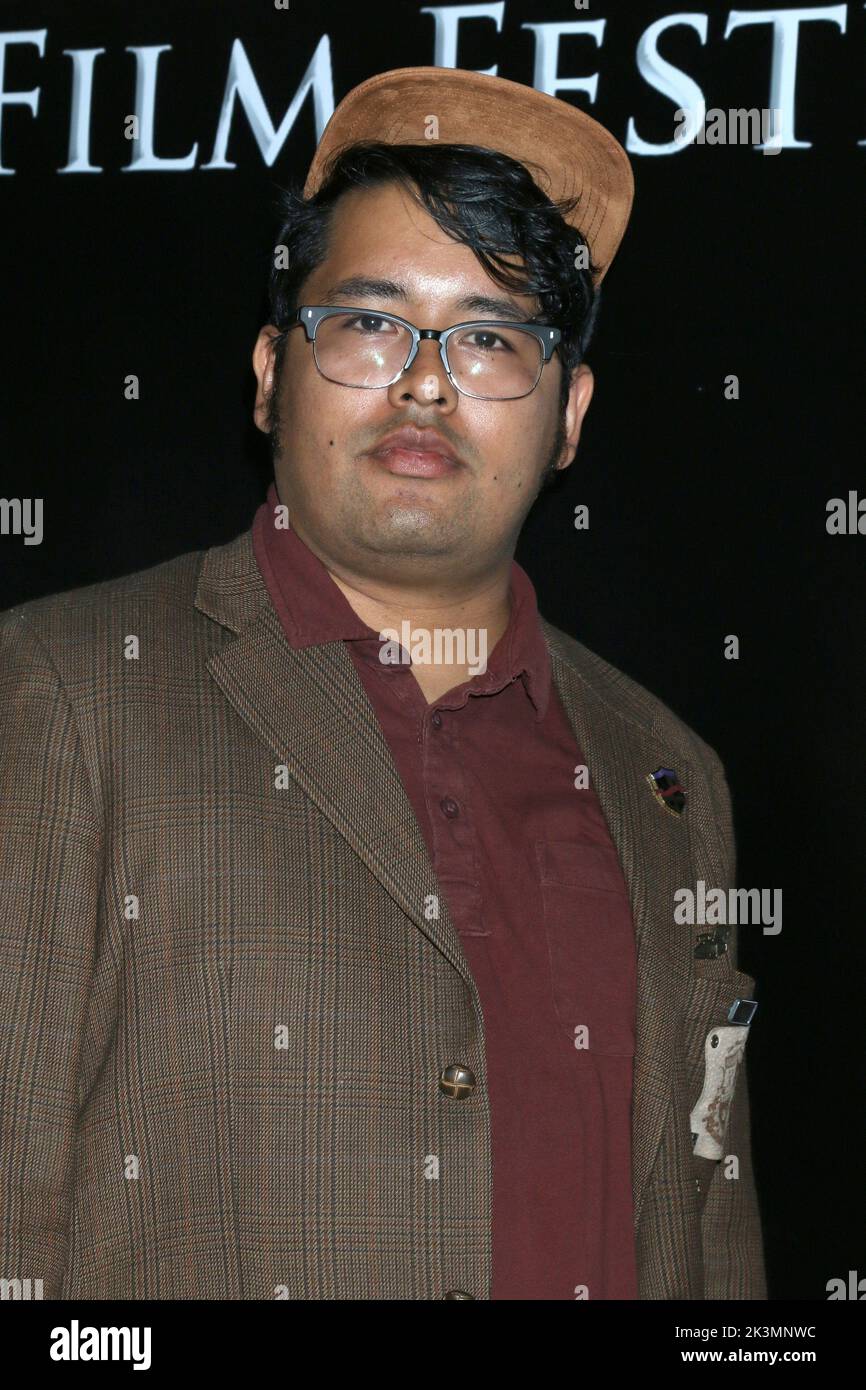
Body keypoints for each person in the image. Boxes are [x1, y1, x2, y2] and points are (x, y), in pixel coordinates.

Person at [0, 66, 765, 1300]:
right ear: (267, 372)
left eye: (488, 338)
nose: (423, 382)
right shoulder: (58, 695)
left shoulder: (665, 773)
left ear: (567, 413)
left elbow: (708, 1229)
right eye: (366, 322)